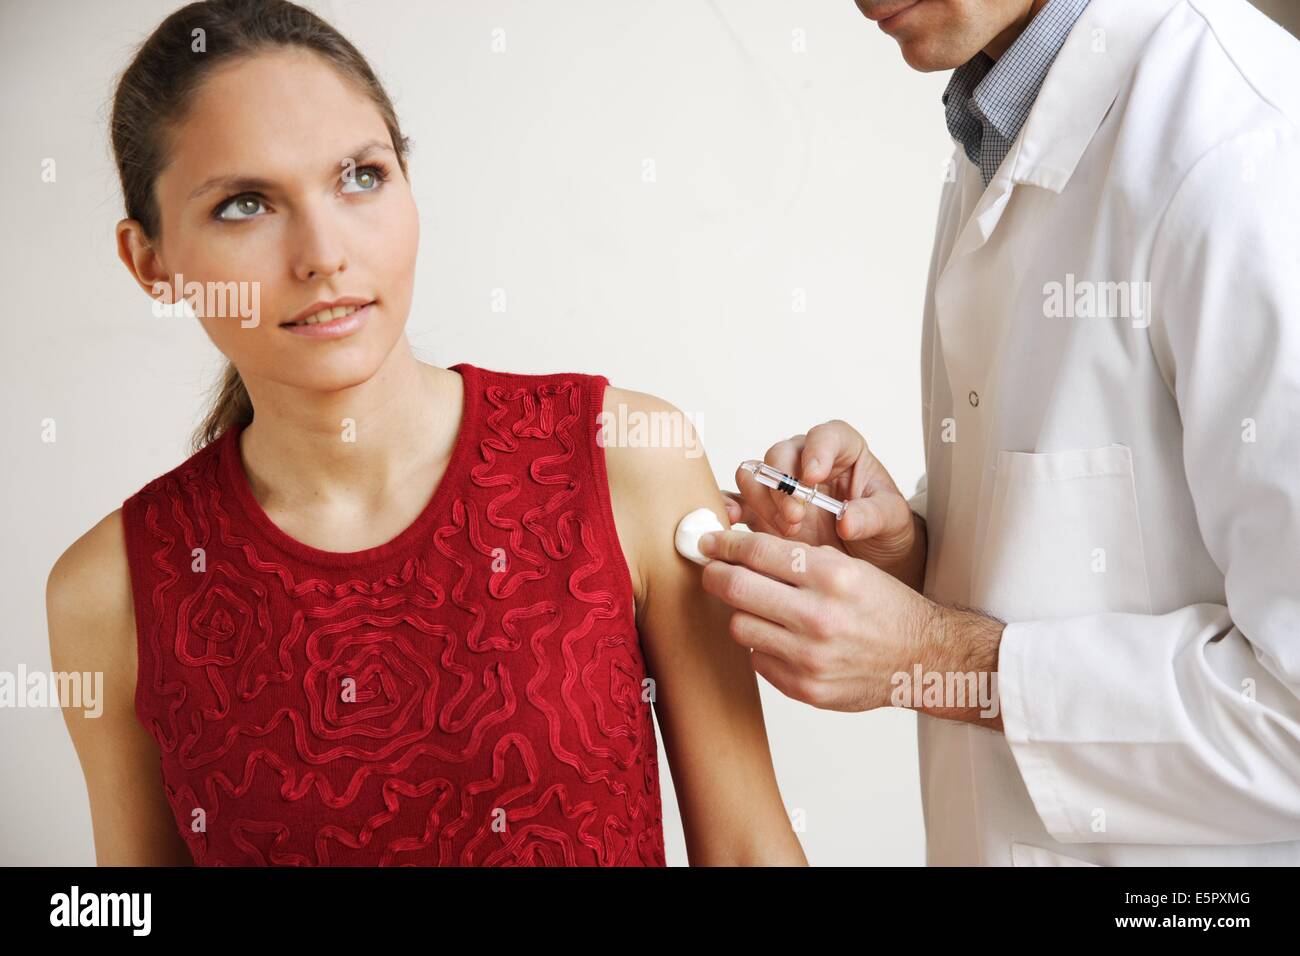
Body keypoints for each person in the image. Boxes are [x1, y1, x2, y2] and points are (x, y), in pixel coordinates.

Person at [45, 0, 805, 867]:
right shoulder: (108, 591)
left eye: (360, 177)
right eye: (246, 204)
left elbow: (749, 848)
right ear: (149, 261)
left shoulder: (625, 457)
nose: (323, 254)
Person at [709, 0, 1300, 865]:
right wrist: (909, 553)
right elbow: (1084, 553)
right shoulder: (1001, 118)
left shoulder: (1248, 147)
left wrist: (928, 656)